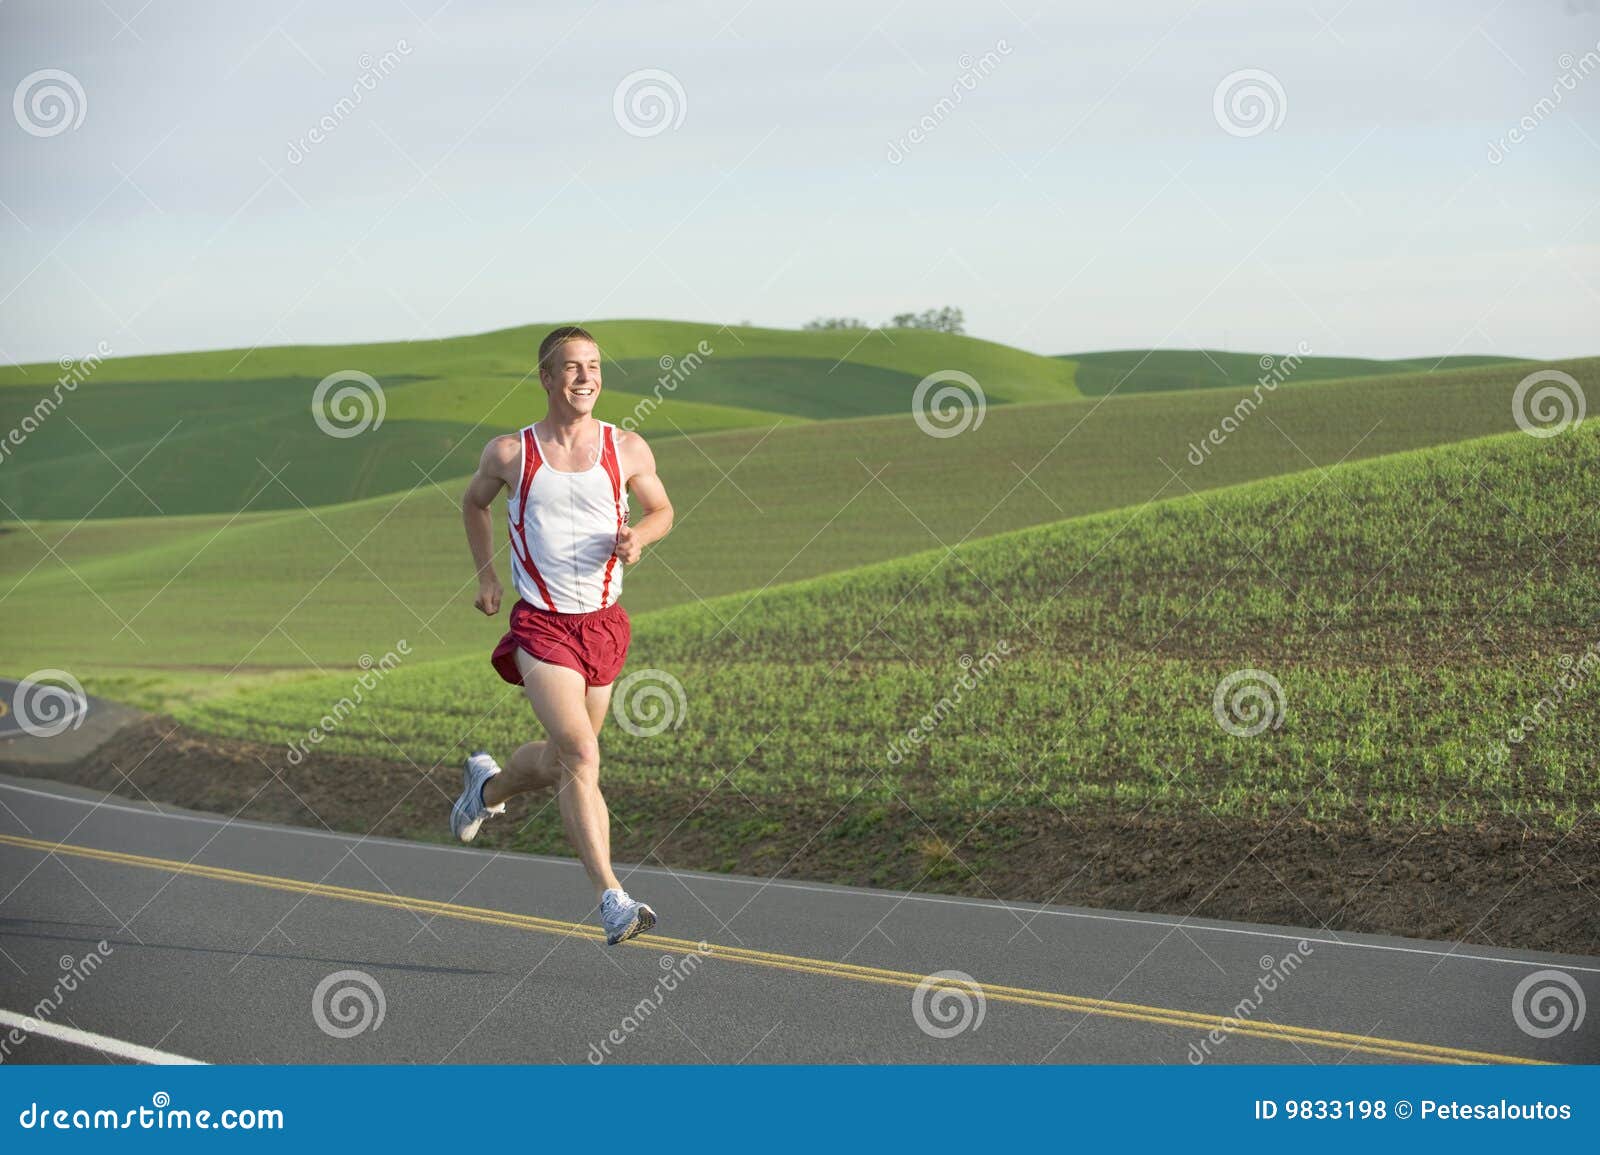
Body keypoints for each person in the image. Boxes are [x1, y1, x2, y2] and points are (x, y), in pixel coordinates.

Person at [454, 325, 674, 945]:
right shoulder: (510, 453)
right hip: (541, 624)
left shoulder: (626, 448)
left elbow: (663, 510)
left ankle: (487, 787)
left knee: (560, 764)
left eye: (595, 366)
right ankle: (613, 898)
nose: (587, 378)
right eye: (572, 368)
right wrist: (488, 574)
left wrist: (641, 537)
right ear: (547, 378)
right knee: (582, 756)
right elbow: (472, 504)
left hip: (604, 624)